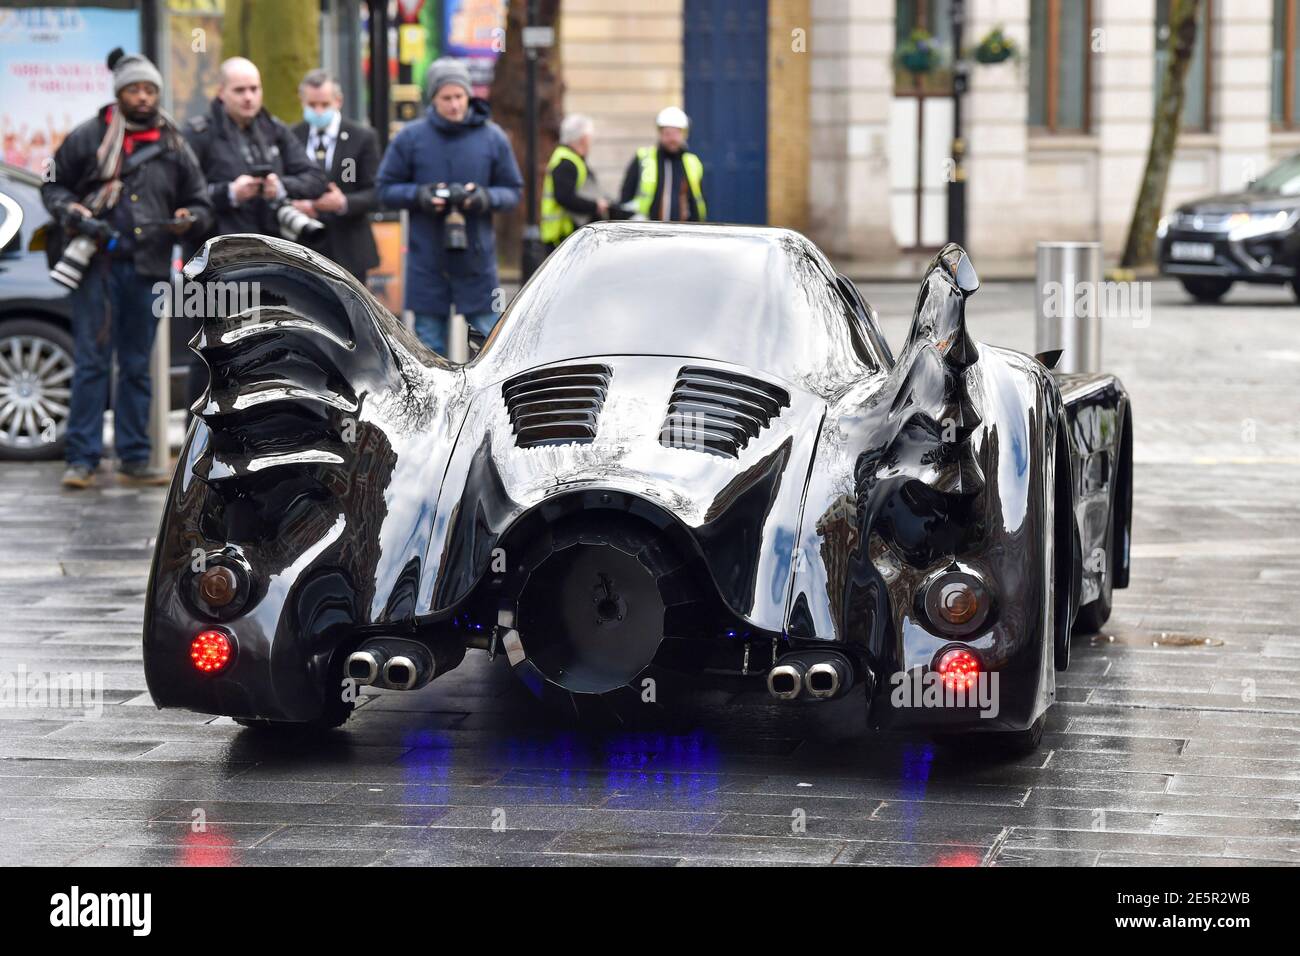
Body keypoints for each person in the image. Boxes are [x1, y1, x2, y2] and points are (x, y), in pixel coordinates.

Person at [41, 48, 211, 490]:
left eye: (149, 89)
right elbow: (51, 184)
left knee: (136, 365)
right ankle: (82, 460)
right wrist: (72, 211)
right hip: (95, 266)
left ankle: (135, 459)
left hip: (149, 267)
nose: (143, 96)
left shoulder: (175, 145)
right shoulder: (89, 135)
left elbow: (201, 202)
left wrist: (189, 217)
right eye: (134, 89)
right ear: (120, 93)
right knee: (91, 362)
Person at [376, 57, 523, 355]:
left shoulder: (492, 137)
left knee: (490, 349)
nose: (455, 105)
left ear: (469, 95)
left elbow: (512, 192)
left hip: (477, 265)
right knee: (429, 355)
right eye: (447, 98)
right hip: (427, 263)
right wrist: (422, 196)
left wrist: (483, 198)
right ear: (433, 98)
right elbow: (384, 188)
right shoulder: (411, 138)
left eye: (460, 96)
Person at [183, 56, 327, 241]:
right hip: (218, 251)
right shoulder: (198, 133)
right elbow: (183, 196)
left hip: (273, 247)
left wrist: (280, 186)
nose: (248, 97)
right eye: (239, 90)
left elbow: (316, 179)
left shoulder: (275, 129)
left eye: (254, 89)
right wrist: (230, 193)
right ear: (221, 92)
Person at [290, 69, 381, 281]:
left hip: (349, 250)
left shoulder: (362, 137)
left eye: (324, 105)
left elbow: (375, 192)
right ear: (302, 102)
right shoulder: (293, 135)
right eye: (312, 105)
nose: (319, 111)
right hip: (303, 248)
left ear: (338, 101)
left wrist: (342, 202)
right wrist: (296, 205)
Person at [541, 114, 631, 252]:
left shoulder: (571, 158)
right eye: (589, 137)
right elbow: (564, 197)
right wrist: (595, 206)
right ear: (583, 139)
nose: (590, 141)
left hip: (564, 235)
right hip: (561, 235)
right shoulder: (567, 162)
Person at [620, 106, 708, 222]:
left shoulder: (693, 162)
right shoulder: (643, 158)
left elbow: (698, 200)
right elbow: (625, 196)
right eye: (667, 133)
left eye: (676, 133)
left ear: (684, 134)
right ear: (660, 133)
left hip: (682, 232)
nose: (672, 138)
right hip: (647, 231)